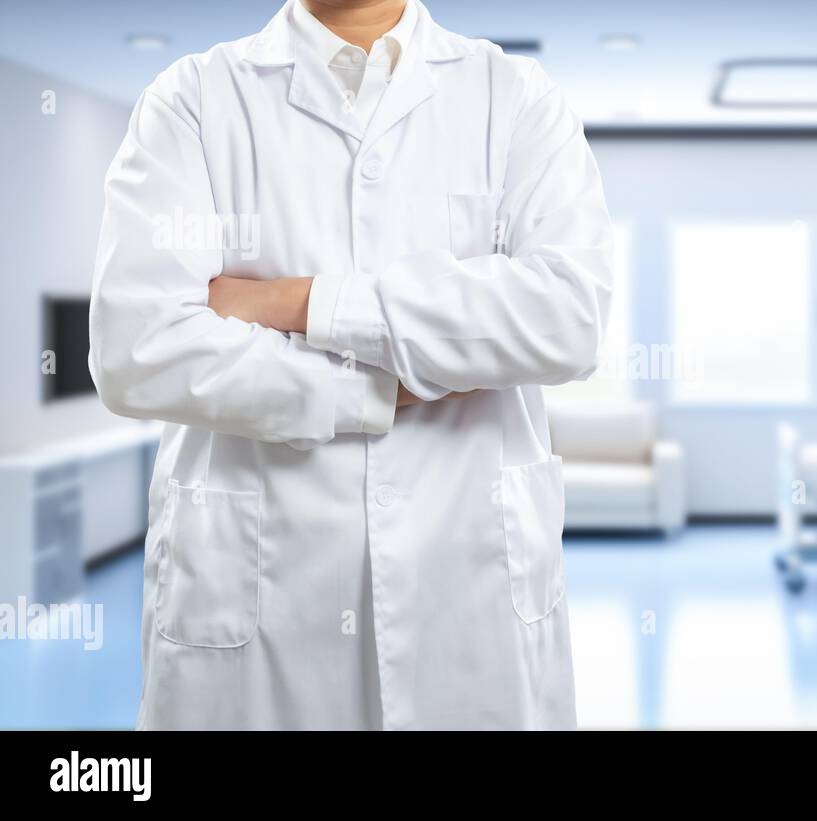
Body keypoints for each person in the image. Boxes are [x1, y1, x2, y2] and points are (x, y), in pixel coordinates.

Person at [88, 0, 612, 730]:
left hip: (470, 597)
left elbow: (568, 320)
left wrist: (297, 301)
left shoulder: (515, 98)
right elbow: (137, 350)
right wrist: (371, 387)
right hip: (256, 604)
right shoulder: (193, 100)